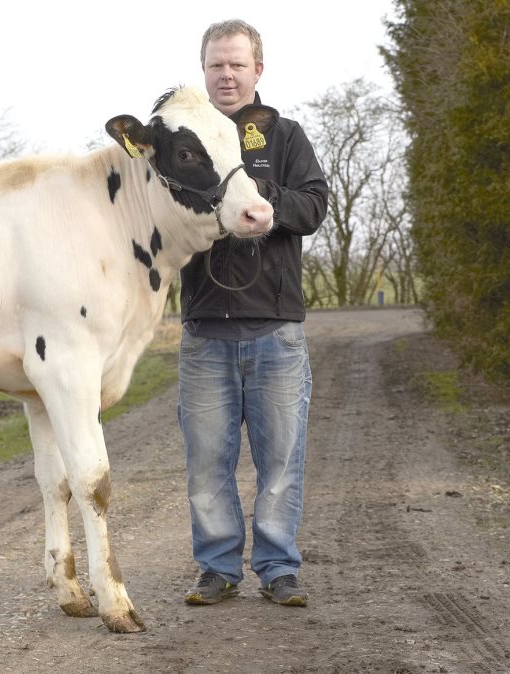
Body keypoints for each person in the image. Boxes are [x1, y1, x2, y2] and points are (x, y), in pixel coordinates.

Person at [178, 19, 328, 608]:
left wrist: (272, 208)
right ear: (204, 71)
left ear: (257, 71)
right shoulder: (185, 141)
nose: (227, 74)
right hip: (204, 331)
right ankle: (216, 569)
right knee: (207, 465)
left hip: (276, 331)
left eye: (238, 64)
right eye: (217, 64)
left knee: (281, 462)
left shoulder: (285, 136)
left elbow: (315, 204)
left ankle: (277, 569)